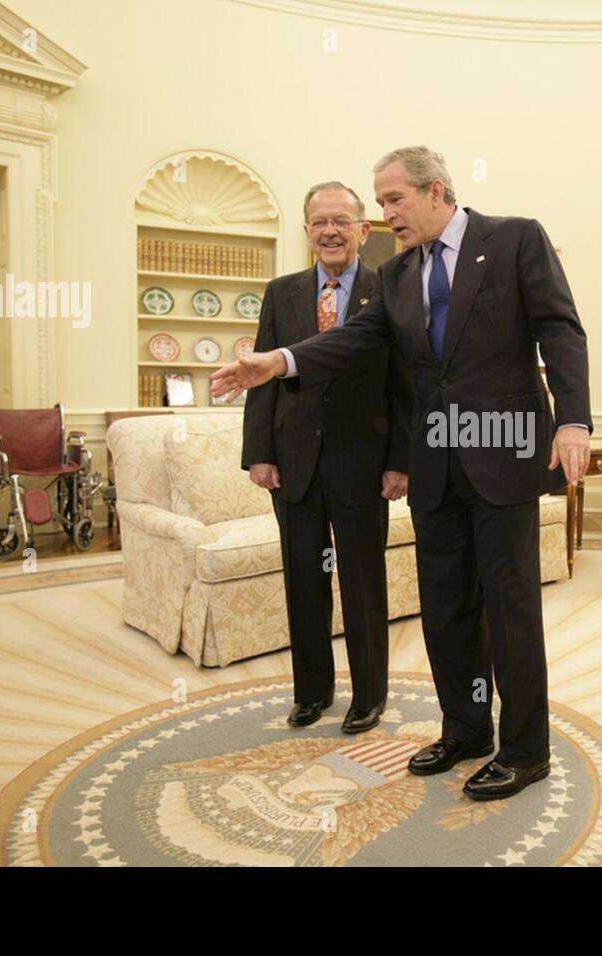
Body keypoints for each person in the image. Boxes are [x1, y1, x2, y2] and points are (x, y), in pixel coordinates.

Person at [213, 146, 591, 801]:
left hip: (504, 456)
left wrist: (574, 419)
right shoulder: (395, 276)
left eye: (392, 202)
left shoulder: (515, 240)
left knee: (511, 612)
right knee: (446, 609)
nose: (384, 216)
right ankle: (465, 729)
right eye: (380, 203)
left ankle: (527, 750)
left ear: (436, 192)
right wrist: (278, 362)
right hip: (436, 460)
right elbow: (356, 341)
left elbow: (560, 329)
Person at [241, 181, 410, 733]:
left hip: (363, 462)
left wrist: (400, 460)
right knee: (304, 582)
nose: (331, 231)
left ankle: (369, 697)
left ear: (364, 230)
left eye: (342, 220)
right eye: (319, 221)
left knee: (363, 583)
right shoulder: (281, 291)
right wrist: (259, 453)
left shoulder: (390, 289)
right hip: (293, 463)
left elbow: (402, 383)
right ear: (307, 231)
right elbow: (263, 378)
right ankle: (311, 692)